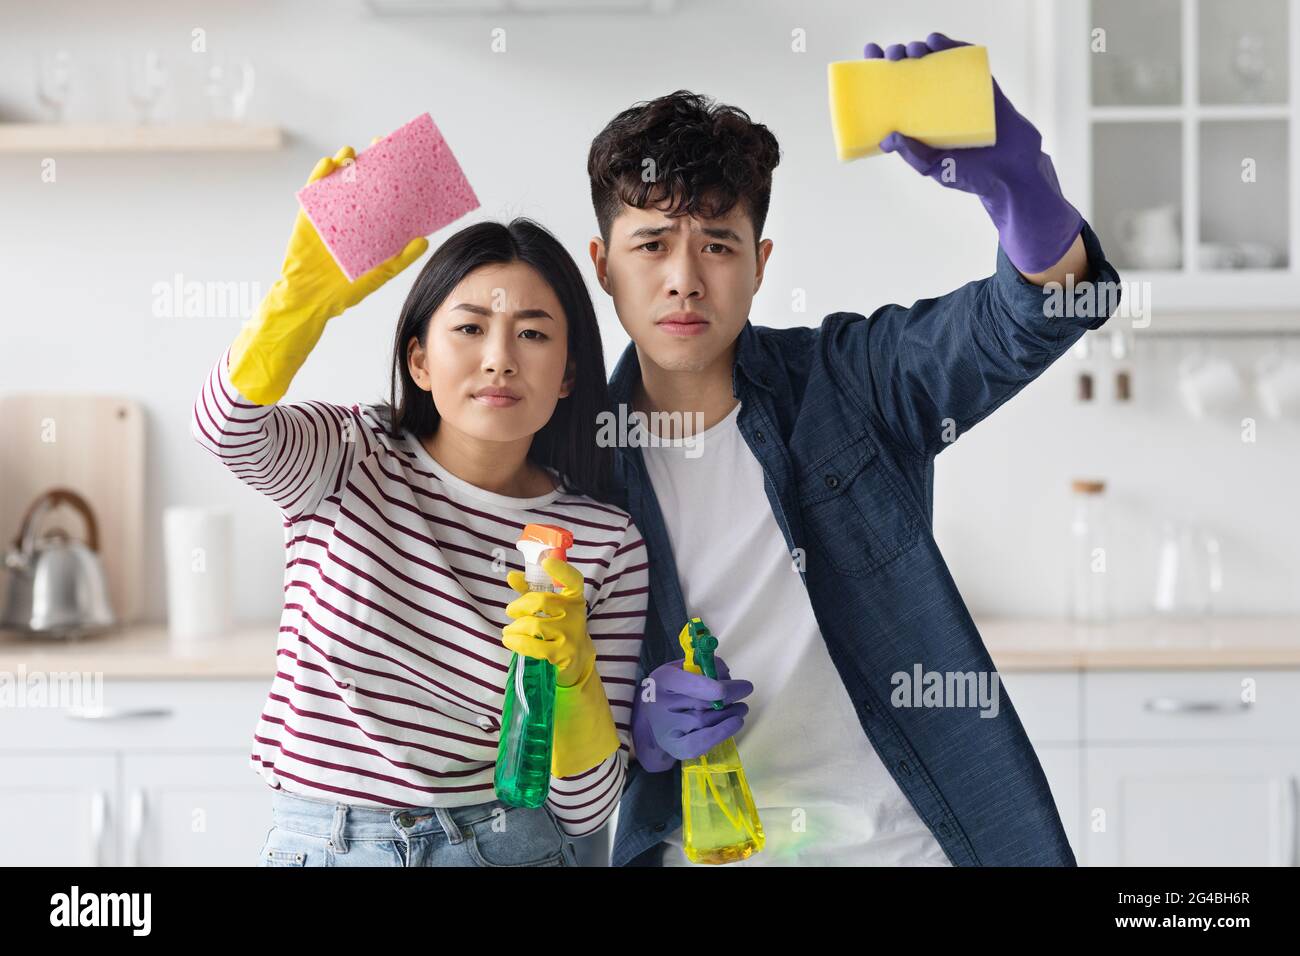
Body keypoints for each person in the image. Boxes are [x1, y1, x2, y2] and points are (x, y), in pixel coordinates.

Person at [589, 34, 1122, 865]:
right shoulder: (568, 465)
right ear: (604, 267)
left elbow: (1022, 321)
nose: (684, 278)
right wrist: (633, 739)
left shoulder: (851, 385)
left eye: (718, 244)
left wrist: (1024, 191)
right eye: (652, 243)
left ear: (761, 265)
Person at [192, 146, 646, 866]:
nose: (500, 357)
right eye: (469, 328)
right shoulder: (348, 453)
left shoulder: (603, 539)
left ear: (567, 375)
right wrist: (298, 301)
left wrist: (574, 675)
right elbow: (227, 429)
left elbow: (589, 806)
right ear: (420, 361)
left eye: (532, 333)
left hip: (510, 847)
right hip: (324, 845)